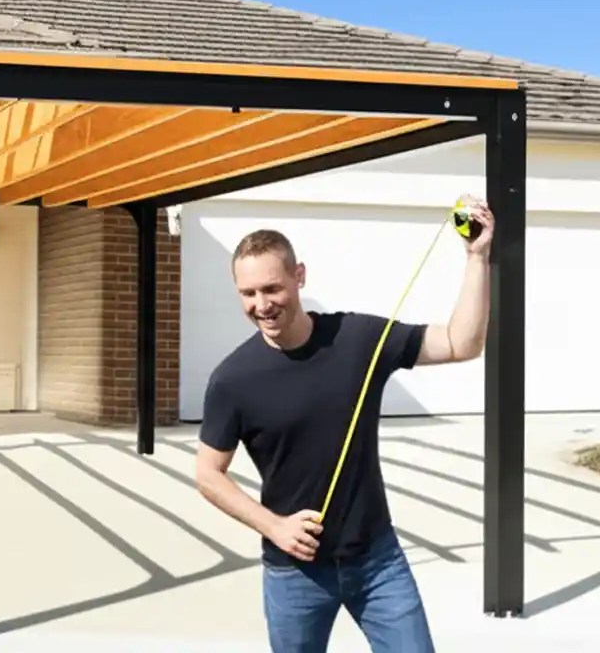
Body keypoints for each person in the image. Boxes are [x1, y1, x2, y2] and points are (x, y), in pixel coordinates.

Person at [193, 196, 495, 653]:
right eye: (248, 293)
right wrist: (274, 527)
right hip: (294, 571)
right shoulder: (232, 380)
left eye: (272, 288)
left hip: (376, 561)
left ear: (300, 277)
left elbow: (460, 343)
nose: (262, 305)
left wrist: (476, 257)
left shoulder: (357, 340)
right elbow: (208, 475)